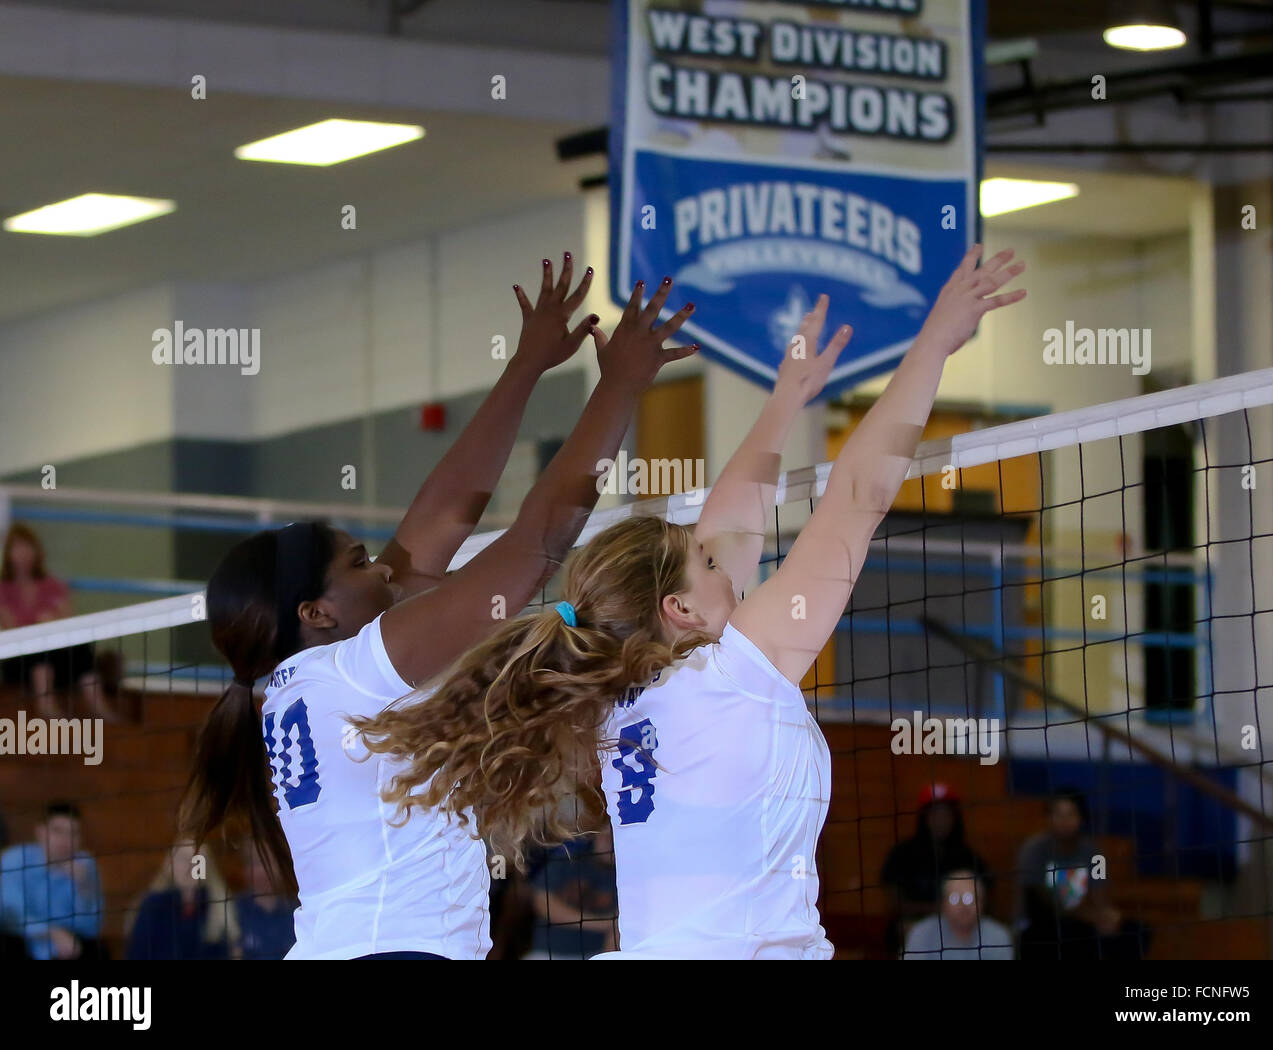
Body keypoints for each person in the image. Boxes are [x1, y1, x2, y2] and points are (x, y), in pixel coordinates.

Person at [356, 246, 1028, 959]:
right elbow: (859, 499)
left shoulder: (627, 697)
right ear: (678, 609)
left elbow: (731, 524)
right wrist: (934, 343)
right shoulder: (732, 674)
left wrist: (787, 399)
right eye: (709, 564)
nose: (732, 562)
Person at [180, 256, 697, 960]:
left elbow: (448, 513)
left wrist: (529, 365)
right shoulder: (352, 669)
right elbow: (538, 541)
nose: (386, 567)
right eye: (360, 563)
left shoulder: (305, 682)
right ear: (317, 611)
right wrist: (621, 386)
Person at [1016, 788, 1150, 960]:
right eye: (1058, 814)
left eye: (1071, 814)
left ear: (1081, 818)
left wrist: (1107, 916)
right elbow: (1040, 901)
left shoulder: (1095, 854)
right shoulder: (1033, 849)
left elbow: (1100, 895)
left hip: (1083, 923)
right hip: (1042, 924)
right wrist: (1088, 916)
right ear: (1048, 818)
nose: (1064, 821)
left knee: (1136, 931)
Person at [0, 523, 112, 720]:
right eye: (17, 547)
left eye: (27, 546)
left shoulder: (54, 586)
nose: (23, 553)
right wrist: (39, 626)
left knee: (81, 649)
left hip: (57, 659)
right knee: (38, 649)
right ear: (8, 553)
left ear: (37, 551)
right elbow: (10, 629)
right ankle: (46, 705)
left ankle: (99, 707)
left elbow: (70, 624)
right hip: (20, 661)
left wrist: (52, 623)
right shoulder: (3, 589)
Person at [881, 782, 991, 954]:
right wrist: (936, 912)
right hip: (912, 928)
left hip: (960, 929)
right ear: (924, 818)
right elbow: (893, 902)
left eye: (946, 814)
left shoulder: (969, 858)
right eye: (934, 813)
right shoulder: (901, 855)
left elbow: (984, 901)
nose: (940, 820)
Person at [0, 801, 107, 959]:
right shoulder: (16, 859)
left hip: (69, 945)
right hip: (23, 941)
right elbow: (10, 915)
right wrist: (52, 933)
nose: (65, 840)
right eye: (58, 831)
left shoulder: (85, 865)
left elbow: (92, 928)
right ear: (40, 832)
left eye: (73, 833)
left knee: (97, 950)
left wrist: (84, 888)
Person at [125, 840, 235, 960]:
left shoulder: (219, 909)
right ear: (170, 865)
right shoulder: (152, 905)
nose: (190, 866)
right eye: (183, 859)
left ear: (207, 868)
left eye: (198, 860)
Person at [526, 825, 617, 960]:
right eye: (604, 836)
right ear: (595, 836)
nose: (608, 842)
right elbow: (542, 904)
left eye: (613, 838)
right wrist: (605, 924)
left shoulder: (632, 875)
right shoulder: (568, 859)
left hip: (596, 954)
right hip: (550, 953)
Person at [902, 868, 1014, 959]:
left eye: (970, 899)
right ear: (943, 903)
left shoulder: (998, 937)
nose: (963, 906)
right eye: (954, 899)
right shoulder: (921, 933)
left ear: (982, 903)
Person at [234, 845, 297, 960]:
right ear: (245, 869)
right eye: (257, 862)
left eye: (269, 861)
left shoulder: (297, 908)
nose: (263, 868)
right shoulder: (235, 909)